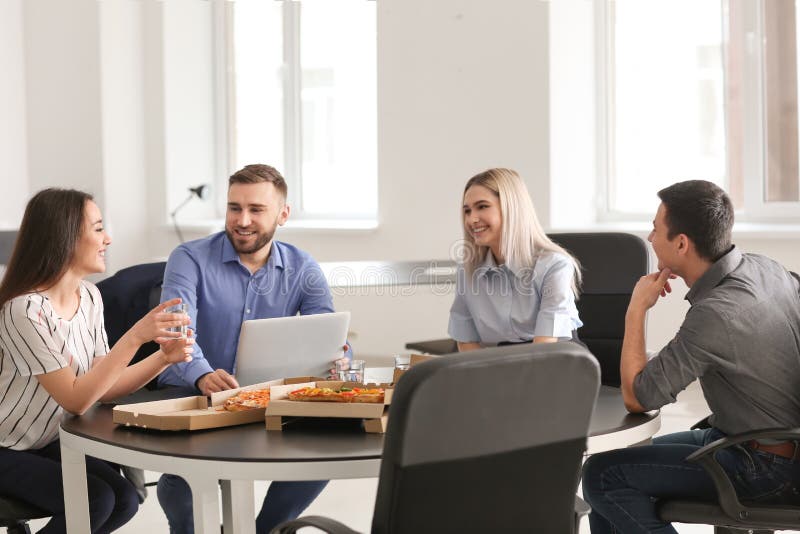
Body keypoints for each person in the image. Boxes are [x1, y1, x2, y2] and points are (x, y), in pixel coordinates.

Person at [582, 180, 800, 533]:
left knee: (603, 477)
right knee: (610, 466)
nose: (650, 238)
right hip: (758, 440)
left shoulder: (715, 314)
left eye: (655, 229)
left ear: (681, 243)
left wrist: (636, 308)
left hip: (763, 466)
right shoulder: (766, 268)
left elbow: (638, 397)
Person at [156, 164, 346, 533]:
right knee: (185, 485)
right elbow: (177, 333)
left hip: (266, 394)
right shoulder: (189, 257)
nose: (242, 220)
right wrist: (203, 374)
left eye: (256, 210)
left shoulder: (302, 266)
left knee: (322, 456)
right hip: (192, 387)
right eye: (234, 208)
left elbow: (329, 334)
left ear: (283, 214)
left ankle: (267, 530)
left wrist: (339, 359)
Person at [0, 188, 194, 534]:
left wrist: (164, 359)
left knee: (124, 498)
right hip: (6, 447)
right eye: (98, 228)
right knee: (94, 500)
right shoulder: (24, 310)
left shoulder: (89, 296)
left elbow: (105, 387)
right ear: (65, 237)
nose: (108, 238)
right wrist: (135, 336)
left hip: (44, 440)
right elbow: (76, 398)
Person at [448, 167, 583, 351]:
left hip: (554, 362)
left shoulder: (554, 266)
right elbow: (465, 340)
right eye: (467, 211)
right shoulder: (468, 269)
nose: (472, 219)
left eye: (482, 207)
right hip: (498, 364)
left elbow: (542, 351)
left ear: (511, 208)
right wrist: (482, 377)